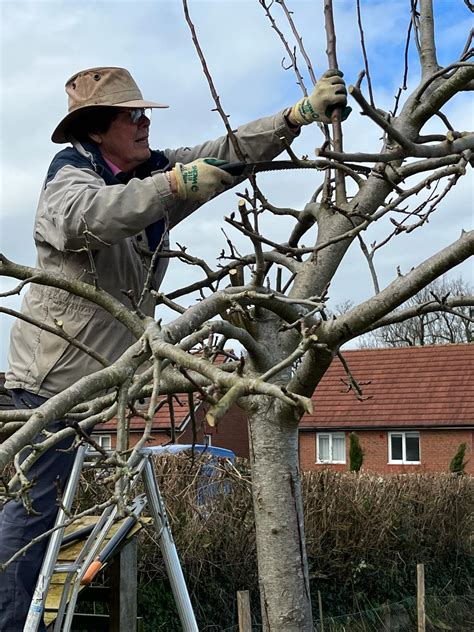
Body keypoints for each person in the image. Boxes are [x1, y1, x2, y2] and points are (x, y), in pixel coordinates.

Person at [0, 65, 349, 630]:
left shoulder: (149, 172)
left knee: (74, 520)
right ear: (96, 128)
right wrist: (173, 187)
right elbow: (85, 220)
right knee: (33, 521)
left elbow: (222, 152)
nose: (143, 124)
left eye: (144, 114)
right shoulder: (69, 178)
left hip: (106, 383)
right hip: (50, 383)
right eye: (130, 115)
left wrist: (295, 118)